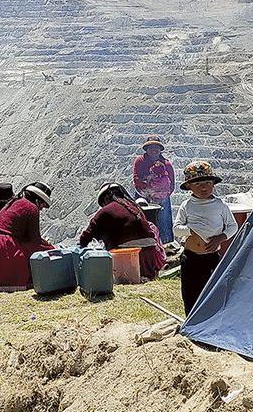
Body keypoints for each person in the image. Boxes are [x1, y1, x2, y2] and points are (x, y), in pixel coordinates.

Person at [173, 161, 238, 315]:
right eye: (198, 184)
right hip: (191, 258)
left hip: (211, 258)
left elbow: (233, 226)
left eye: (207, 183)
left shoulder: (220, 205)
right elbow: (176, 229)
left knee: (212, 292)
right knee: (190, 293)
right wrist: (191, 231)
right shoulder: (187, 206)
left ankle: (210, 321)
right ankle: (191, 321)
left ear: (213, 185)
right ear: (189, 186)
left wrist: (220, 238)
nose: (203, 188)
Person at [0, 182, 54, 292]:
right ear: (37, 200)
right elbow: (34, 241)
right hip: (3, 248)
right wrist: (50, 248)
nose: (41, 208)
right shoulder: (32, 208)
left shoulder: (15, 202)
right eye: (42, 205)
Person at [78, 183, 166, 279]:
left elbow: (87, 235)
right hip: (150, 256)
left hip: (127, 256)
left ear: (106, 198)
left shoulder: (106, 211)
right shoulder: (135, 207)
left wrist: (80, 247)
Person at [132, 135, 176, 243]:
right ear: (146, 149)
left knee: (164, 222)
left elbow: (172, 184)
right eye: (151, 147)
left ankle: (167, 244)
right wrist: (148, 192)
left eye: (156, 147)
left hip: (162, 198)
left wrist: (161, 195)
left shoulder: (167, 164)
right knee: (142, 221)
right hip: (143, 196)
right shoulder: (140, 161)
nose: (154, 150)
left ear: (160, 150)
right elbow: (136, 179)